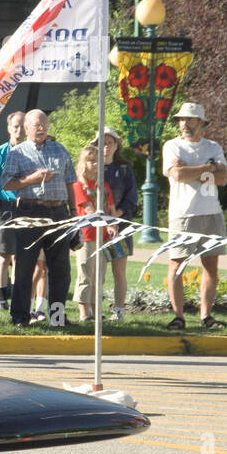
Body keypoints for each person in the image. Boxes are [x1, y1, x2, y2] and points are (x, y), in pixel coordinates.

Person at [0, 109, 77, 327]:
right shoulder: (17, 153)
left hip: (58, 213)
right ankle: (20, 316)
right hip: (30, 211)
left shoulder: (59, 149)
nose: (41, 128)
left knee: (61, 268)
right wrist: (31, 179)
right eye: (36, 125)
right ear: (26, 129)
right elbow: (7, 183)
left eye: (44, 124)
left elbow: (71, 181)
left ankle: (57, 317)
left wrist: (73, 212)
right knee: (25, 266)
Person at [162, 103, 227, 330]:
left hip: (212, 212)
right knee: (176, 265)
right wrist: (208, 168)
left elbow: (223, 179)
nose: (184, 124)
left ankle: (206, 316)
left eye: (190, 120)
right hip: (183, 214)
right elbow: (178, 175)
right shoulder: (172, 146)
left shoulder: (213, 146)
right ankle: (178, 317)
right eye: (181, 119)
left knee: (211, 266)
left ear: (202, 123)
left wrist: (195, 170)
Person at [0, 110, 26, 312]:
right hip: (5, 208)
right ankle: (2, 299)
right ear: (9, 128)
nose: (19, 130)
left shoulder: (32, 151)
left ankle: (18, 296)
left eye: (22, 126)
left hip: (26, 207)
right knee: (4, 255)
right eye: (15, 126)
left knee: (21, 256)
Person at [72, 144, 114, 322]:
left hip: (102, 236)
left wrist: (113, 225)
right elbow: (90, 210)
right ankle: (84, 313)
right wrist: (106, 222)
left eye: (97, 161)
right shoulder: (78, 185)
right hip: (86, 235)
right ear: (83, 163)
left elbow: (110, 208)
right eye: (90, 161)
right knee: (85, 273)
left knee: (99, 276)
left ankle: (96, 313)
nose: (94, 164)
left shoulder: (103, 185)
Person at [100, 126, 138, 322]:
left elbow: (132, 198)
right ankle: (93, 312)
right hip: (95, 228)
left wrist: (117, 214)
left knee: (118, 271)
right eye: (102, 143)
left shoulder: (124, 170)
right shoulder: (91, 167)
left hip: (120, 227)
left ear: (116, 146)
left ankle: (119, 311)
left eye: (109, 143)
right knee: (97, 271)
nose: (106, 147)